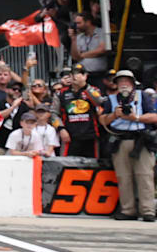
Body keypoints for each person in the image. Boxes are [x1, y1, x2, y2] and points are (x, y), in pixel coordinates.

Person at [98, 70, 156, 221]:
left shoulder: (142, 96)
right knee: (124, 177)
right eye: (120, 81)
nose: (124, 84)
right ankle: (128, 209)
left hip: (141, 139)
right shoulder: (111, 100)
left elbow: (154, 117)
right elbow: (102, 120)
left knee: (145, 176)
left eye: (126, 81)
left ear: (132, 83)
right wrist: (114, 115)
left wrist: (135, 117)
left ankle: (148, 210)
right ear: (116, 84)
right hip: (120, 140)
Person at [57, 65, 105, 158]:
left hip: (90, 136)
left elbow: (99, 102)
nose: (76, 76)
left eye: (80, 74)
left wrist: (85, 87)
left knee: (91, 164)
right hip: (69, 136)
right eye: (74, 74)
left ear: (85, 76)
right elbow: (54, 113)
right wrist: (61, 129)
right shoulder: (61, 93)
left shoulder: (94, 90)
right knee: (67, 164)